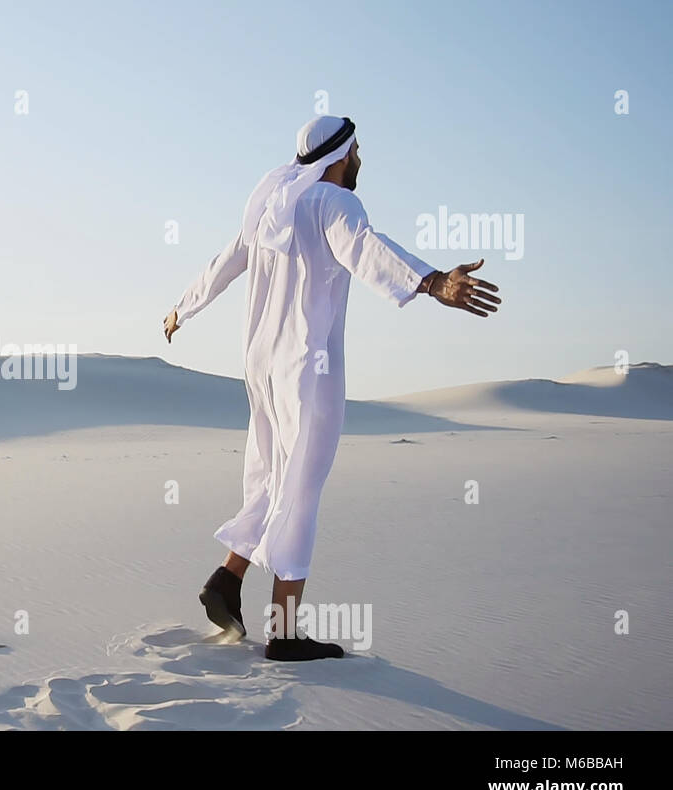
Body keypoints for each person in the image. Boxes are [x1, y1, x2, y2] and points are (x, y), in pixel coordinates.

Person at [163, 115, 501, 661]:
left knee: (270, 476)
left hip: (261, 366)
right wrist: (433, 281)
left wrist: (183, 307)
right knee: (300, 488)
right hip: (307, 369)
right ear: (340, 155)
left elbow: (224, 263)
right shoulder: (333, 204)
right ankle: (285, 633)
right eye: (358, 151)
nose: (360, 160)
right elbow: (366, 248)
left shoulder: (272, 206)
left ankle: (227, 581)